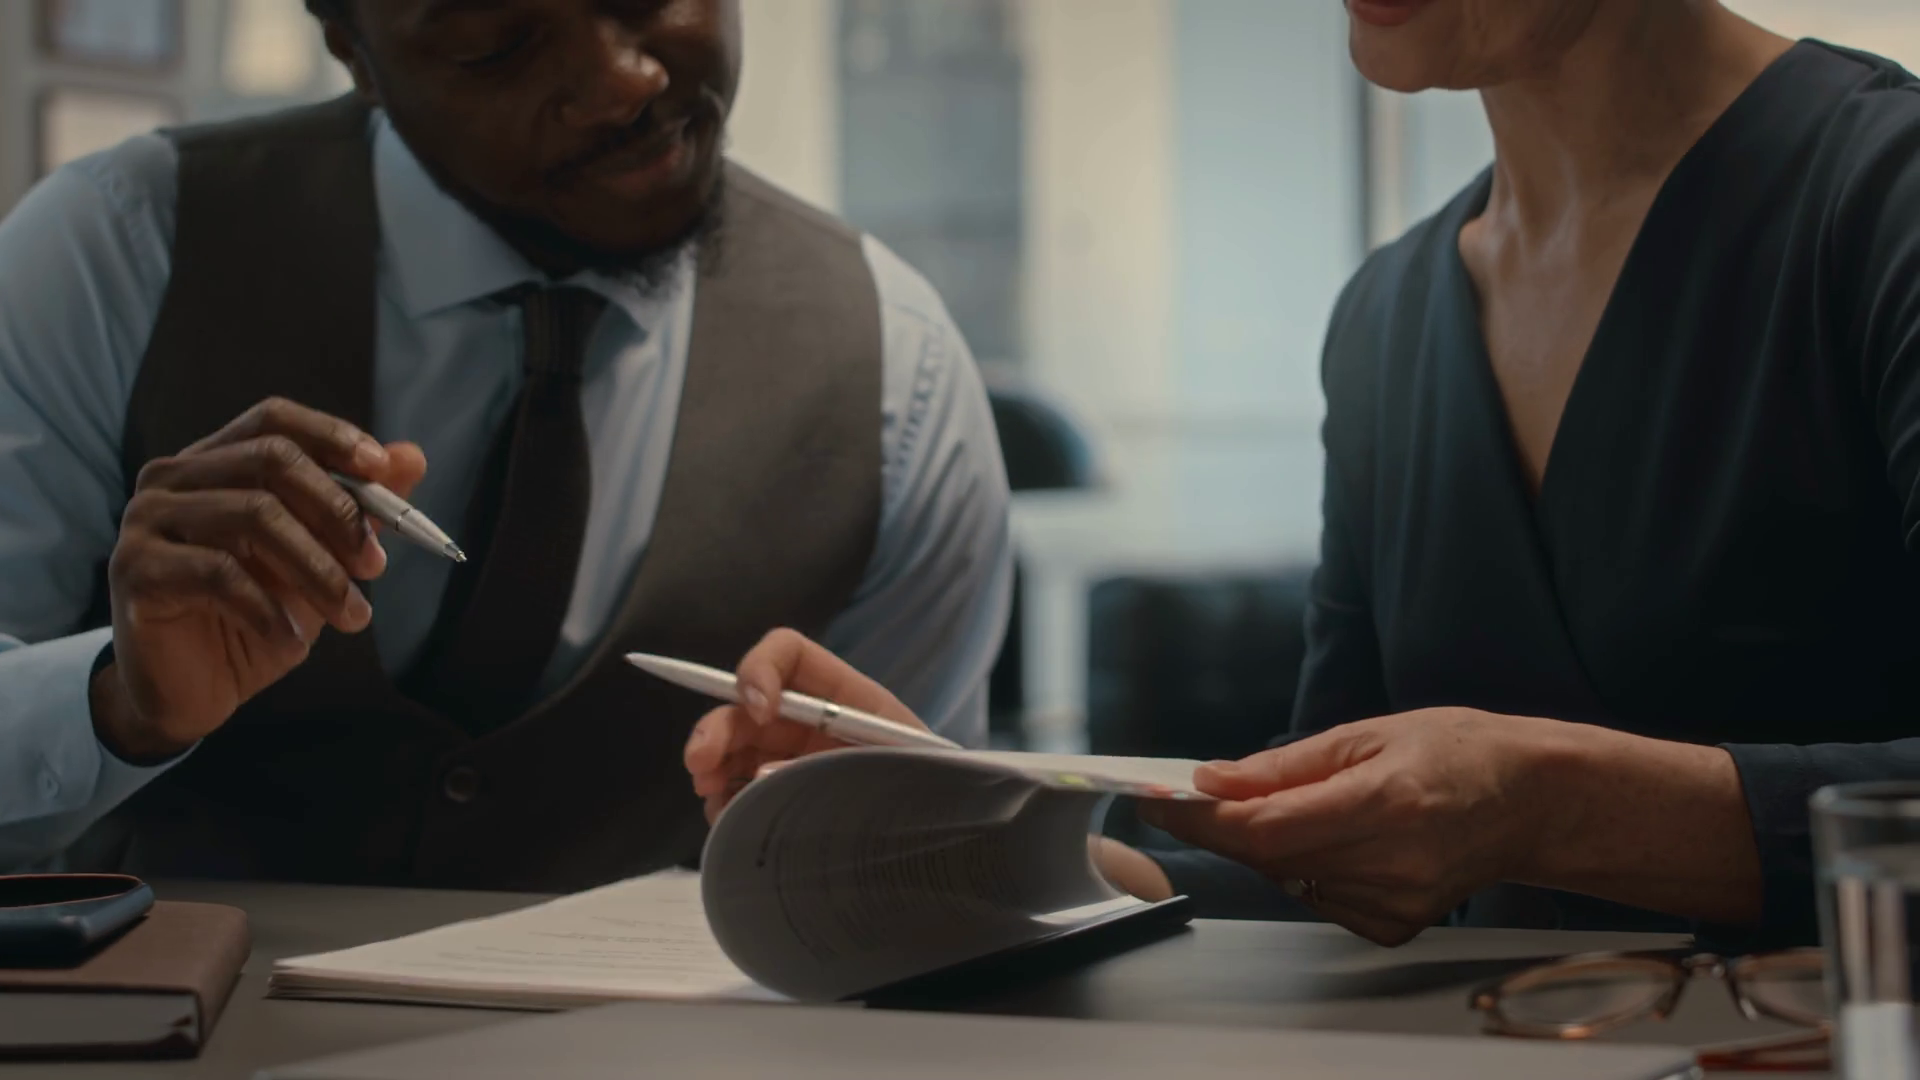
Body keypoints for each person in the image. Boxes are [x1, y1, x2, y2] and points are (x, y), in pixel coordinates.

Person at [686, 0, 1920, 947]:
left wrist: (1550, 808)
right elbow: (1331, 874)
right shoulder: (1390, 317)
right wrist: (973, 826)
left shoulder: (1880, 206)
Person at [0, 0, 1011, 889]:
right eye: (495, 43)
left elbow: (926, 879)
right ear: (351, 43)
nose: (625, 80)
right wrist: (116, 705)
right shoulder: (116, 254)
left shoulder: (895, 371)